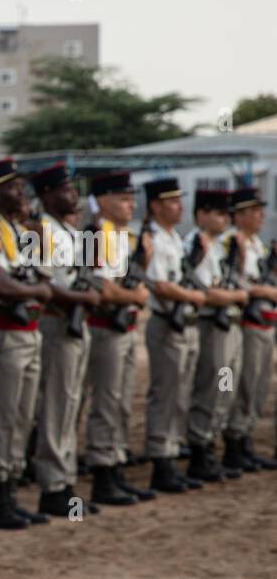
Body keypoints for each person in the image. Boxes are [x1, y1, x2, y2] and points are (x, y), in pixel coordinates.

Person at [0, 158, 53, 529]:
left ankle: (11, 490)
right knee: (3, 418)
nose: (21, 193)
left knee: (22, 416)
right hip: (4, 333)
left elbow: (38, 268)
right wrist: (38, 290)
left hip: (27, 331)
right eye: (12, 187)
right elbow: (2, 285)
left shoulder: (15, 229)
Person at [29, 165, 102, 517]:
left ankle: (65, 480)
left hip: (75, 326)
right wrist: (80, 300)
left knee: (72, 404)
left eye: (73, 190)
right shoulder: (41, 232)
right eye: (64, 190)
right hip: (57, 324)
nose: (72, 196)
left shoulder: (68, 232)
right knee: (57, 407)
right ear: (46, 194)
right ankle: (55, 487)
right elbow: (46, 286)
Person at [85, 171, 154, 506]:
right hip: (104, 327)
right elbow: (104, 288)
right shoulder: (98, 235)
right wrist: (136, 297)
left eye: (131, 198)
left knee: (123, 401)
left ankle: (116, 464)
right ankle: (102, 469)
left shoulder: (122, 236)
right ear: (102, 201)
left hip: (123, 327)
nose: (131, 205)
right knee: (107, 401)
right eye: (123, 199)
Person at [142, 177, 207, 492]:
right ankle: (161, 461)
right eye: (172, 201)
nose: (180, 206)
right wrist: (193, 297)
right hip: (167, 321)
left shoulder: (173, 237)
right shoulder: (153, 237)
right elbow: (162, 286)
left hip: (184, 323)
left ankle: (171, 453)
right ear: (155, 205)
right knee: (166, 393)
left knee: (180, 393)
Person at [185, 189, 247, 481]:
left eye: (227, 214)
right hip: (212, 326)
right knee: (212, 387)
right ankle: (201, 446)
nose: (226, 219)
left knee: (225, 387)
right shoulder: (196, 244)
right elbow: (203, 290)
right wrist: (235, 295)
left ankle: (212, 441)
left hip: (227, 325)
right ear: (201, 215)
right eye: (219, 213)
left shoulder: (220, 245)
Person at [220, 186, 277, 471]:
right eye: (254, 211)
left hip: (265, 323)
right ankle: (234, 440)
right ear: (239, 216)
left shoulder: (257, 244)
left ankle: (246, 438)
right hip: (246, 323)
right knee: (241, 384)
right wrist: (265, 290)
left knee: (258, 386)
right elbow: (235, 283)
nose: (260, 216)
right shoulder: (234, 243)